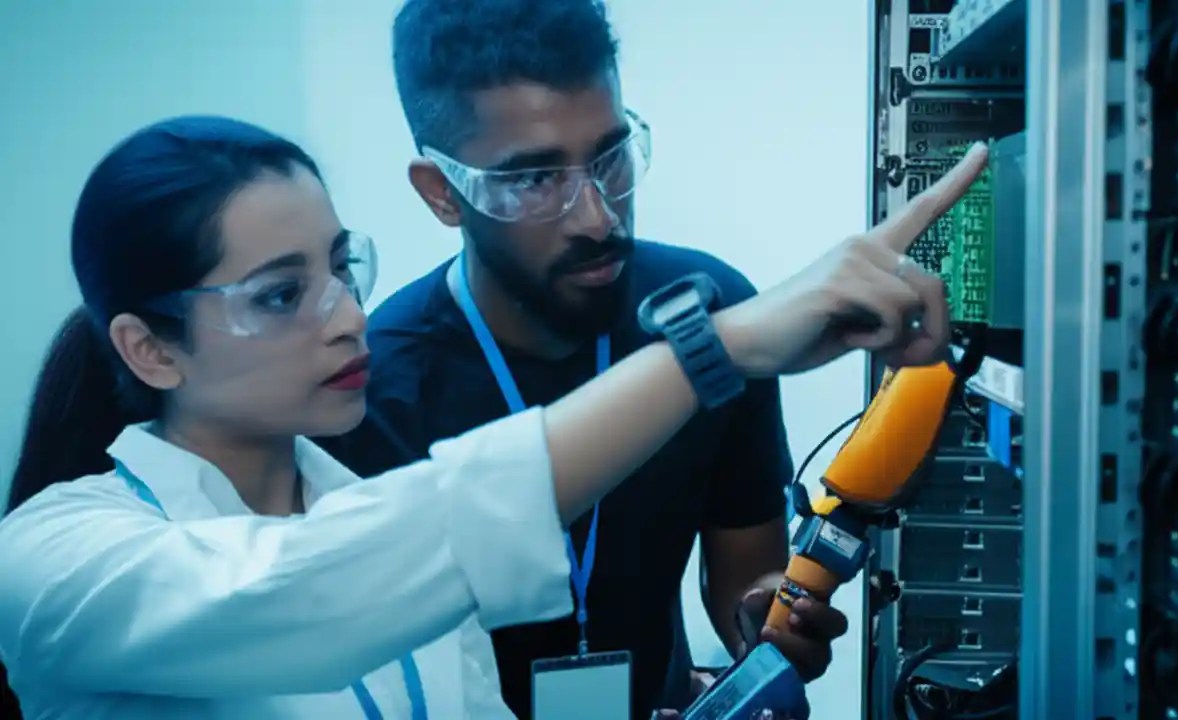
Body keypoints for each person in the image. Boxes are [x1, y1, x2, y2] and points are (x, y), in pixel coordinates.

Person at [0, 108, 982, 719]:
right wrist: (711, 350)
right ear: (149, 347)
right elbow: (311, 588)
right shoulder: (57, 560)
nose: (347, 319)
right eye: (277, 293)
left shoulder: (370, 520)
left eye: (341, 267)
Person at [318, 0, 855, 715]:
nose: (599, 216)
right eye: (536, 179)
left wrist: (763, 621)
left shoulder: (711, 308)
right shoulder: (376, 390)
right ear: (442, 193)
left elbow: (745, 572)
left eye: (610, 155)